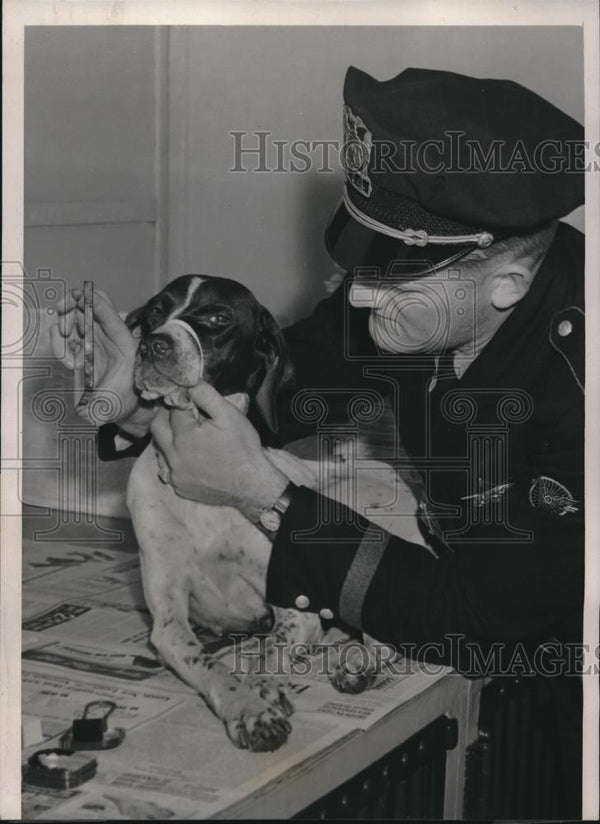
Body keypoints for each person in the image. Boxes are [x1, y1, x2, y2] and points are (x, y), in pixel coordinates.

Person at [53, 67, 585, 817]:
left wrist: (262, 494)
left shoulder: (579, 388)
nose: (359, 297)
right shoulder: (416, 302)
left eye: (396, 281)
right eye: (362, 268)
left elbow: (479, 619)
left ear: (504, 284)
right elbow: (283, 381)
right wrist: (145, 403)